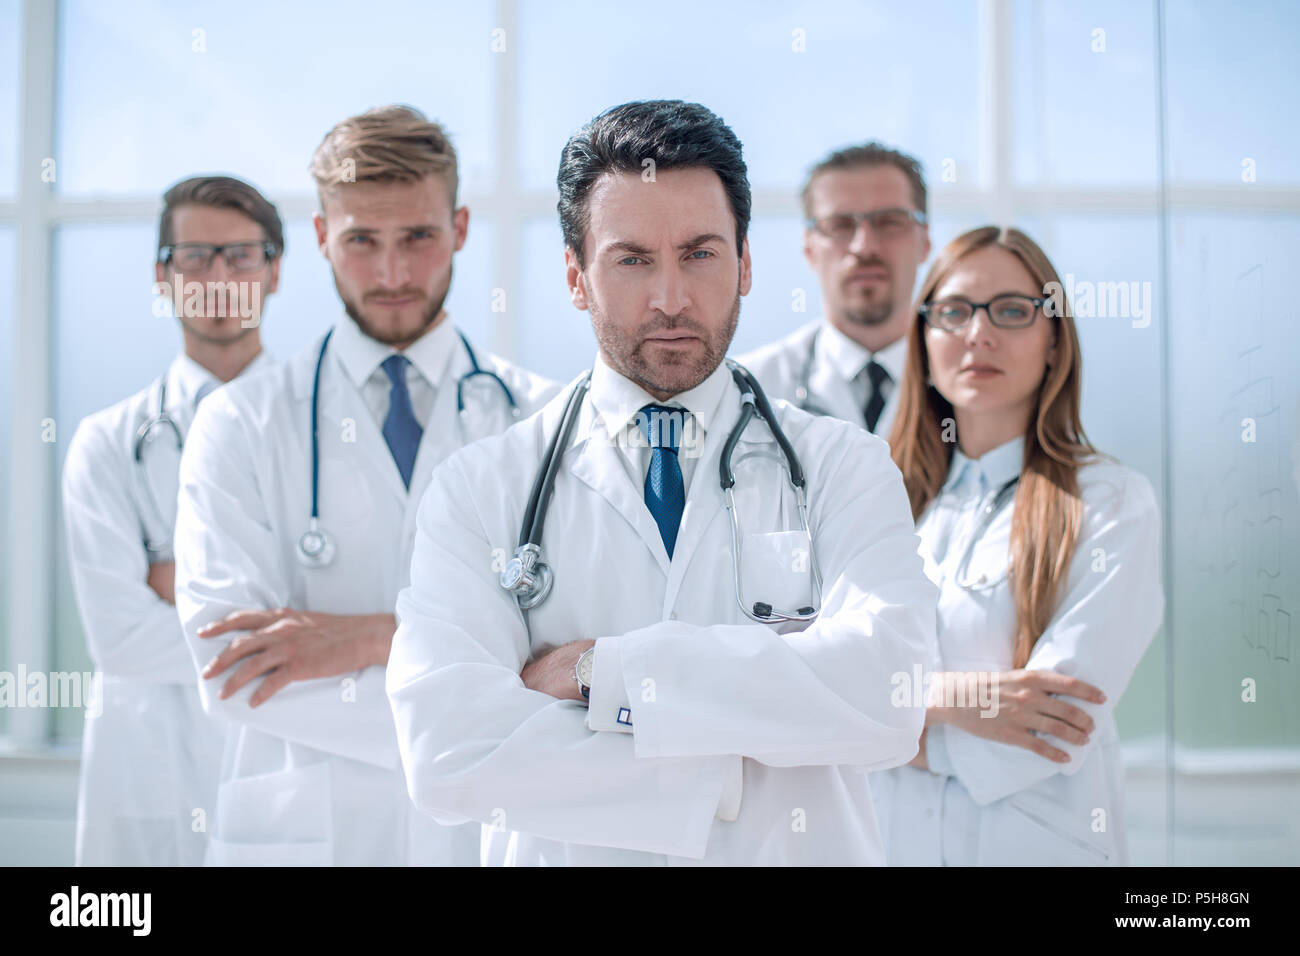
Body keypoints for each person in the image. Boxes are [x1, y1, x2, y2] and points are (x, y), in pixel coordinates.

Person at [385, 100, 937, 866]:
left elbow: (891, 696)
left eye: (700, 254)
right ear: (577, 276)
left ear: (745, 264)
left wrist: (602, 673)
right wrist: (725, 772)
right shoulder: (482, 489)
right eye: (633, 259)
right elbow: (448, 750)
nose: (671, 299)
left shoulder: (842, 466)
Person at [173, 106, 558, 866]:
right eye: (360, 241)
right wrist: (469, 674)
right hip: (306, 835)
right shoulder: (238, 425)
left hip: (481, 836)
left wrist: (370, 639)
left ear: (461, 228)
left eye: (418, 236)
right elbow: (233, 673)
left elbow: (571, 664)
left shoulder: (541, 422)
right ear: (320, 238)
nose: (392, 274)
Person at [871, 226, 1163, 866]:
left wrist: (883, 723)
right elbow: (817, 686)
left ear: (1054, 338)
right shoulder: (880, 501)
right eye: (952, 312)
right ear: (923, 339)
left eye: (1011, 310)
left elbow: (1053, 721)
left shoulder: (1111, 503)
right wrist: (954, 702)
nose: (978, 334)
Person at [62, 175, 283, 865]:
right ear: (163, 277)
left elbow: (348, 608)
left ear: (274, 270)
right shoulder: (106, 443)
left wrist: (177, 582)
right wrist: (277, 619)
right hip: (146, 771)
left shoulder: (325, 432)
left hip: (279, 766)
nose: (219, 276)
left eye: (241, 255)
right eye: (194, 256)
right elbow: (121, 639)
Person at [737, 143, 930, 438]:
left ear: (925, 241)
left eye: (890, 222)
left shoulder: (971, 385)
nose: (864, 246)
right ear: (809, 248)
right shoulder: (750, 386)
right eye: (839, 225)